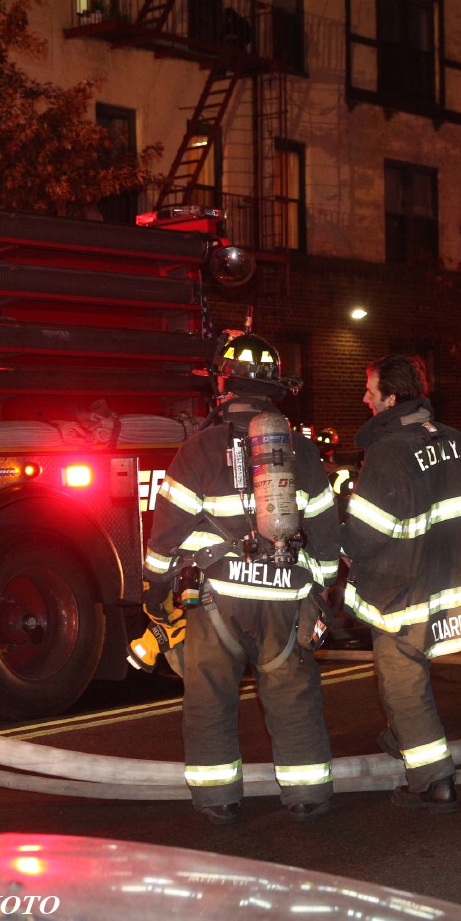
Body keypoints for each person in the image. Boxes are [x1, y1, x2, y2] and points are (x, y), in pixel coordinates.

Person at [141, 333, 342, 827]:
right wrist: (320, 592)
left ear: (222, 384)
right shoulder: (302, 450)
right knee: (293, 694)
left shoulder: (199, 448)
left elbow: (166, 534)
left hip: (216, 601)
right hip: (285, 600)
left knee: (209, 696)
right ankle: (308, 797)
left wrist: (152, 593)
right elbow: (325, 529)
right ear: (275, 387)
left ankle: (218, 802)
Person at [342, 354, 461, 811]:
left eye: (370, 390)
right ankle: (404, 737)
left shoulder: (389, 452)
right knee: (413, 680)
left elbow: (366, 535)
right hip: (455, 586)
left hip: (405, 591)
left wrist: (338, 533)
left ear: (391, 398)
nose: (364, 398)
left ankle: (434, 781)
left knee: (402, 681)